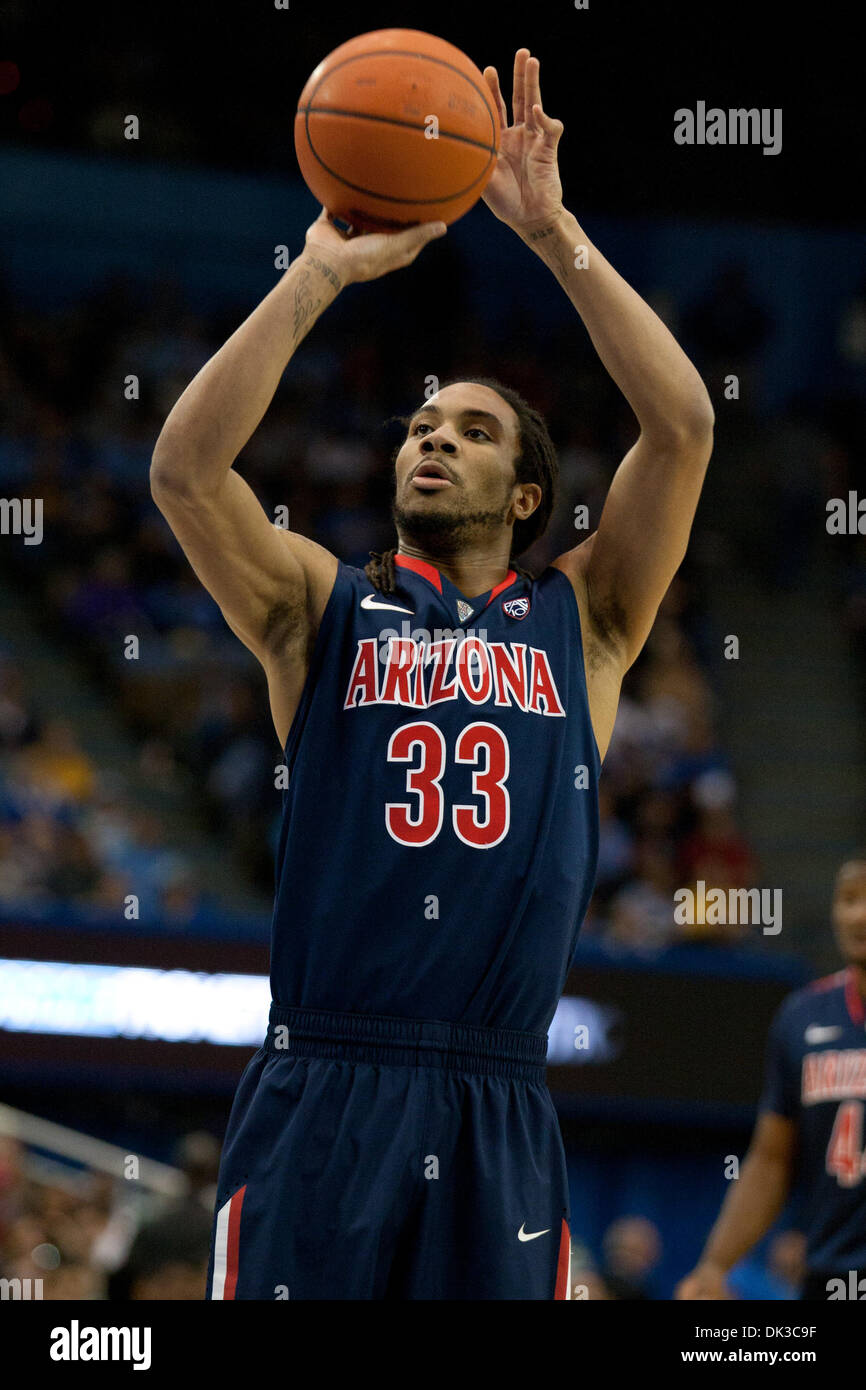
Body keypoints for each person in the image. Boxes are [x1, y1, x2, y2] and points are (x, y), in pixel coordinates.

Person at [151, 49, 713, 1299]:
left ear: (525, 496)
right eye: (418, 424)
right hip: (324, 1076)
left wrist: (555, 231)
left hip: (495, 1092)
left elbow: (681, 426)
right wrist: (321, 272)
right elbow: (186, 474)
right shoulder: (324, 607)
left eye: (468, 429)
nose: (430, 439)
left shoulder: (588, 619)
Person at [677, 854, 866, 1301]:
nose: (858, 913)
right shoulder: (802, 1016)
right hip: (831, 1276)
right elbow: (770, 1161)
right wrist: (715, 1265)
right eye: (848, 898)